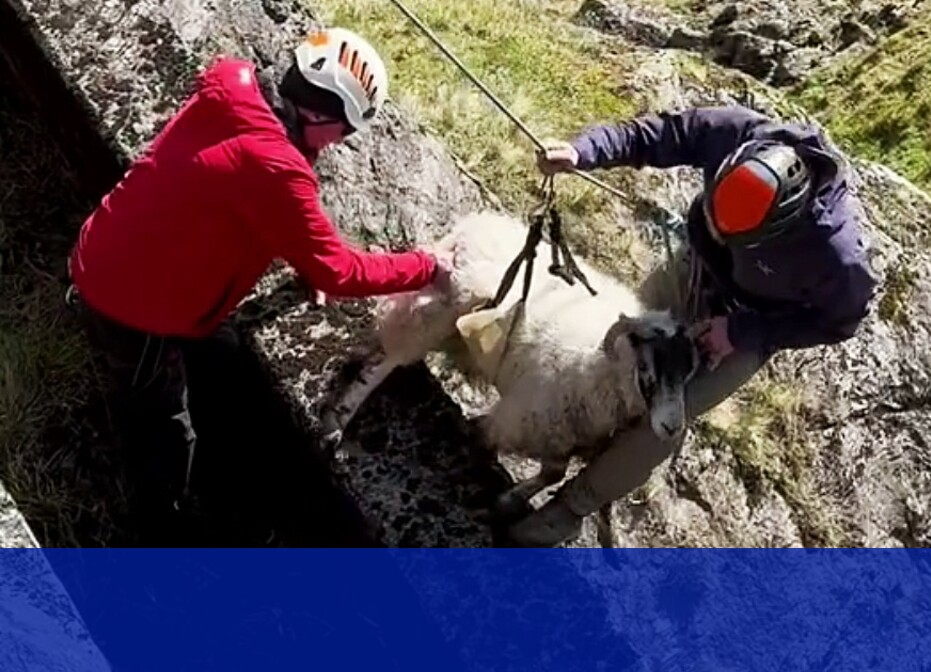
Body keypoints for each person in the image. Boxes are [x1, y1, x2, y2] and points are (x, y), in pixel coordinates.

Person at [64, 27, 451, 539]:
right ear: (319, 115)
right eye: (346, 130)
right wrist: (427, 266)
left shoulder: (233, 84)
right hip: (132, 306)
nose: (341, 143)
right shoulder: (277, 169)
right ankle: (162, 521)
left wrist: (299, 253)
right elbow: (338, 270)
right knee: (165, 423)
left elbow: (243, 199)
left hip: (112, 250)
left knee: (220, 356)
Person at [506, 105, 878, 546]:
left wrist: (742, 333)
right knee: (610, 356)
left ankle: (572, 507)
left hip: (749, 322)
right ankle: (551, 462)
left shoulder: (836, 257)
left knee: (665, 418)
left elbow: (839, 323)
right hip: (694, 268)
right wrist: (583, 152)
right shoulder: (738, 134)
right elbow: (661, 133)